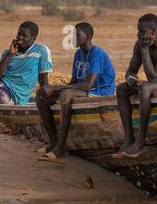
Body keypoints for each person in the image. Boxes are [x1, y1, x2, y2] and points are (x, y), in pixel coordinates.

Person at [35, 21, 116, 161]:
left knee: (66, 94)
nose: (73, 39)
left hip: (100, 90)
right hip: (83, 88)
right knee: (41, 95)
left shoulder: (97, 54)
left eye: (77, 35)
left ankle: (61, 146)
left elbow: (88, 85)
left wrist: (55, 88)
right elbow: (74, 82)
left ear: (88, 36)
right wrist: (51, 90)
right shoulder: (78, 54)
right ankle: (53, 142)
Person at [112, 13, 157, 158]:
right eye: (138, 31)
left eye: (141, 31)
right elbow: (130, 72)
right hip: (154, 84)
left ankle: (141, 141)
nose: (137, 35)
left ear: (153, 32)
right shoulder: (139, 44)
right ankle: (129, 138)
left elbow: (153, 77)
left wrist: (144, 49)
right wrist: (132, 80)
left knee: (146, 87)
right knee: (121, 88)